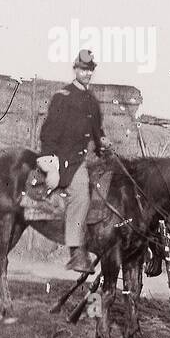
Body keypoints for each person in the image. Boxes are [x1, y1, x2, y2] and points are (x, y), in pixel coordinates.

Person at [38, 49, 106, 272]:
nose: (87, 74)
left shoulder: (92, 101)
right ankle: (76, 252)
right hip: (64, 159)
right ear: (75, 69)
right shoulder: (63, 97)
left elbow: (98, 133)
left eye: (90, 70)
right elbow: (48, 134)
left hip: (83, 158)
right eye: (83, 69)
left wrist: (105, 146)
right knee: (80, 197)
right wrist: (51, 166)